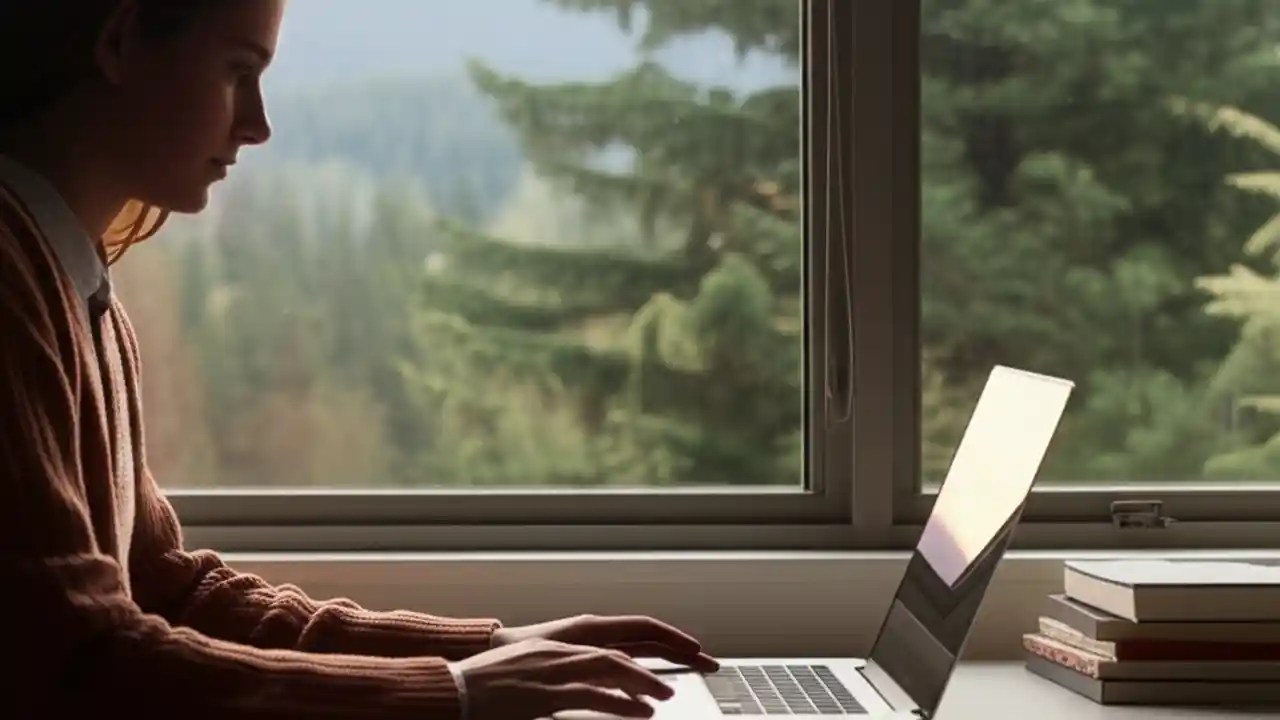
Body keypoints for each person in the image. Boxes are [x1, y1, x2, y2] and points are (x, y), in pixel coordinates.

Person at [0, 1, 719, 718]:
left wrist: (490, 647)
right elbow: (82, 659)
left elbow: (172, 593)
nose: (257, 123)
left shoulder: (73, 276)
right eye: (237, 72)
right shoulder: (12, 281)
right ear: (120, 42)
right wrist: (458, 693)